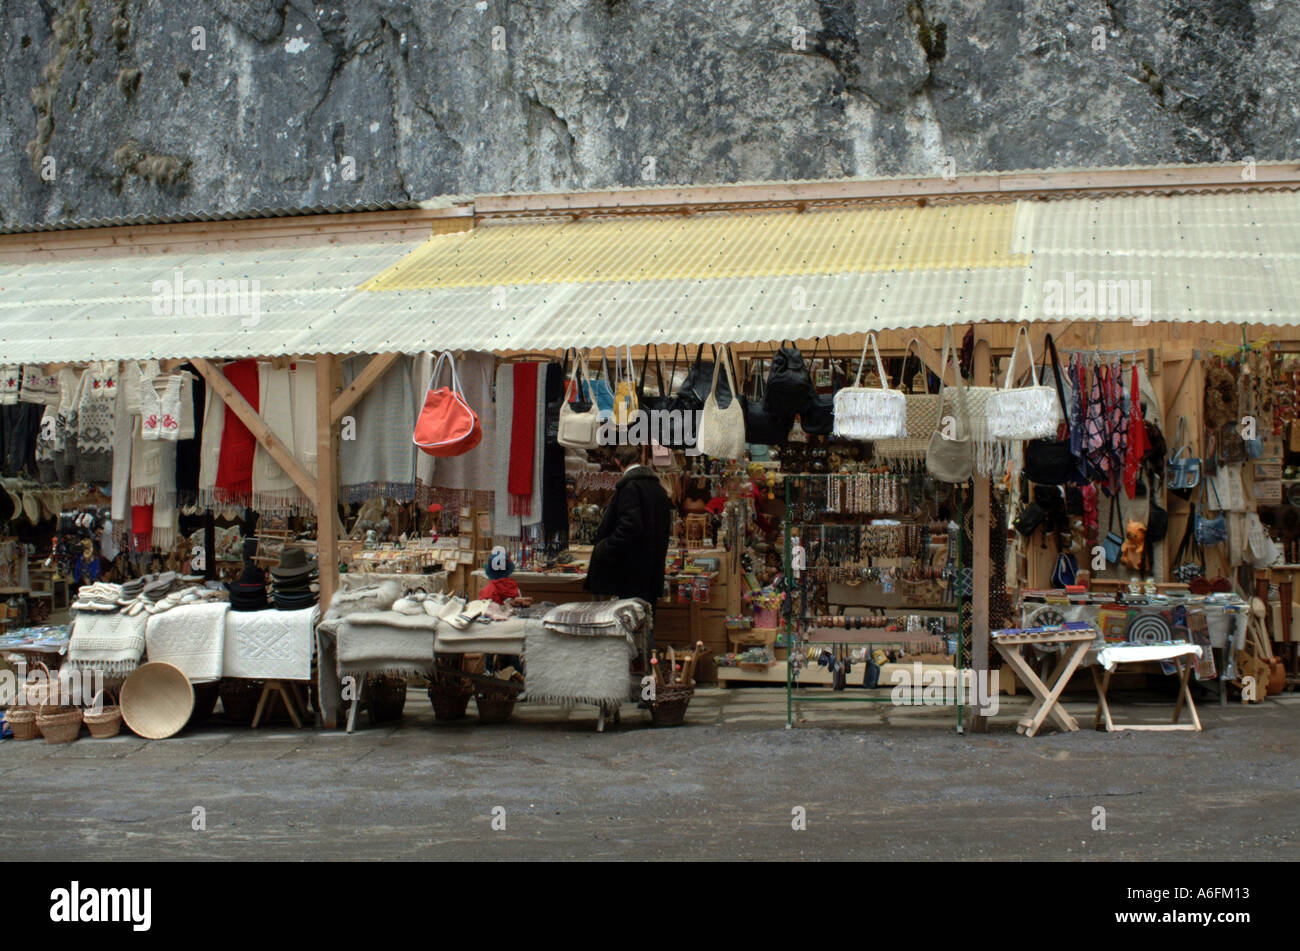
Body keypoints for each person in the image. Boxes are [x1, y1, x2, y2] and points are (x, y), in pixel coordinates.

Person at [584, 444, 671, 610]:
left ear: (617, 461)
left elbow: (630, 527)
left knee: (629, 624)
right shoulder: (658, 488)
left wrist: (606, 547)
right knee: (645, 621)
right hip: (651, 570)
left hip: (630, 571)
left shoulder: (630, 486)